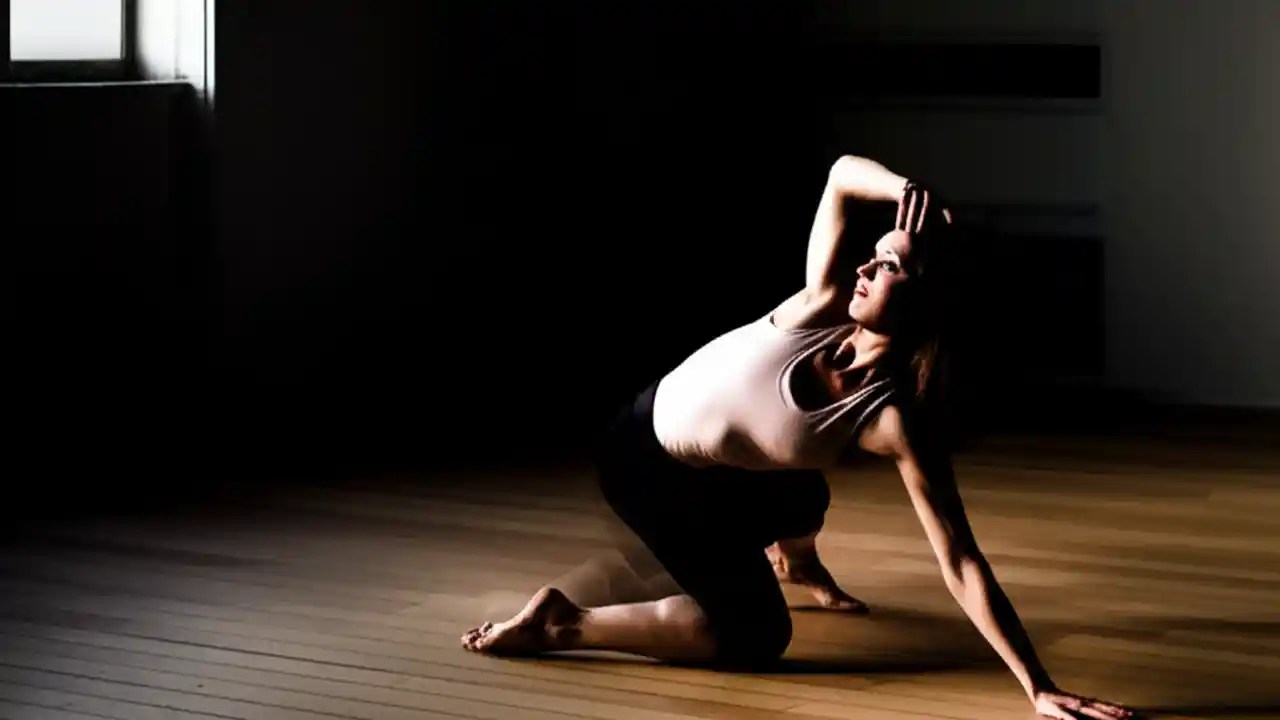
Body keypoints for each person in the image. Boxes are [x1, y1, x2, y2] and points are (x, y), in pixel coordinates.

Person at [461, 155, 1136, 720]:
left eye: (889, 267)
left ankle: (785, 563)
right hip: (639, 462)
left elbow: (959, 559)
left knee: (804, 494)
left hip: (713, 474)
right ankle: (563, 621)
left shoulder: (892, 419)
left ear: (927, 305)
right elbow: (841, 175)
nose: (866, 269)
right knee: (757, 635)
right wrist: (906, 189)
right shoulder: (820, 303)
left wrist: (1037, 686)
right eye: (874, 257)